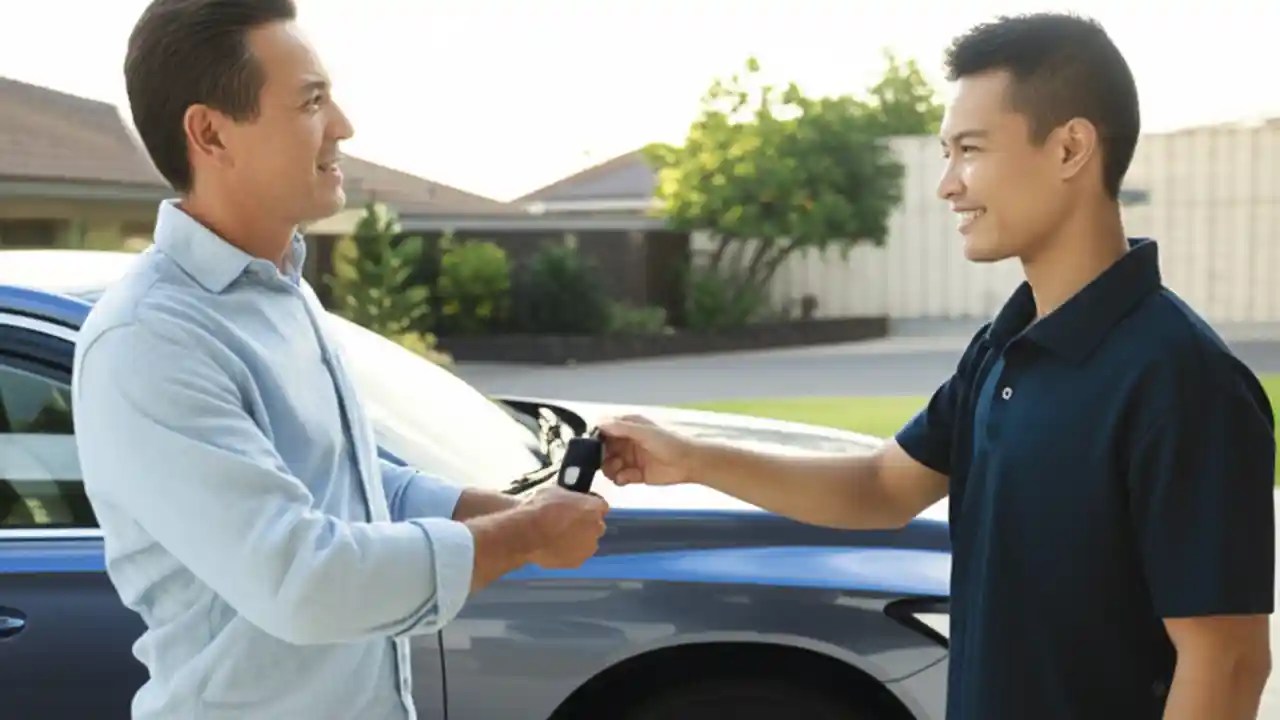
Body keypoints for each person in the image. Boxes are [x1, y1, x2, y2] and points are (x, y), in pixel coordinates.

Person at [600, 12, 1274, 720]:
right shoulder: (1002, 346)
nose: (947, 185)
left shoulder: (1180, 379)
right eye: (945, 154)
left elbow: (1226, 663)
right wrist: (694, 459)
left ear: (1071, 147)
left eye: (970, 150)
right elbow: (880, 486)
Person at [70, 1, 609, 718]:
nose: (343, 127)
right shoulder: (149, 339)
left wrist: (498, 509)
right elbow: (304, 581)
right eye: (311, 102)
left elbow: (342, 475)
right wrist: (527, 535)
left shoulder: (281, 291)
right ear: (209, 132)